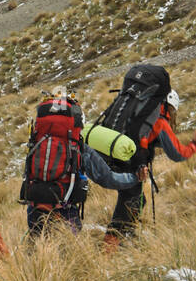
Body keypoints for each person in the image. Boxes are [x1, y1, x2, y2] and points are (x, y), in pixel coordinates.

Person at [23, 91, 145, 240]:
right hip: (64, 211)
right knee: (69, 256)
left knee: (37, 250)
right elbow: (108, 178)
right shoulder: (79, 148)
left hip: (35, 207)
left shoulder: (37, 143)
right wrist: (135, 178)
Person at [103, 82, 196, 245]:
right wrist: (193, 146)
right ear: (168, 106)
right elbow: (177, 154)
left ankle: (127, 234)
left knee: (137, 200)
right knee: (130, 202)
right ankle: (109, 248)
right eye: (173, 110)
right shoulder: (159, 120)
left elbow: (146, 136)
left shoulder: (138, 114)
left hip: (115, 158)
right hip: (132, 165)